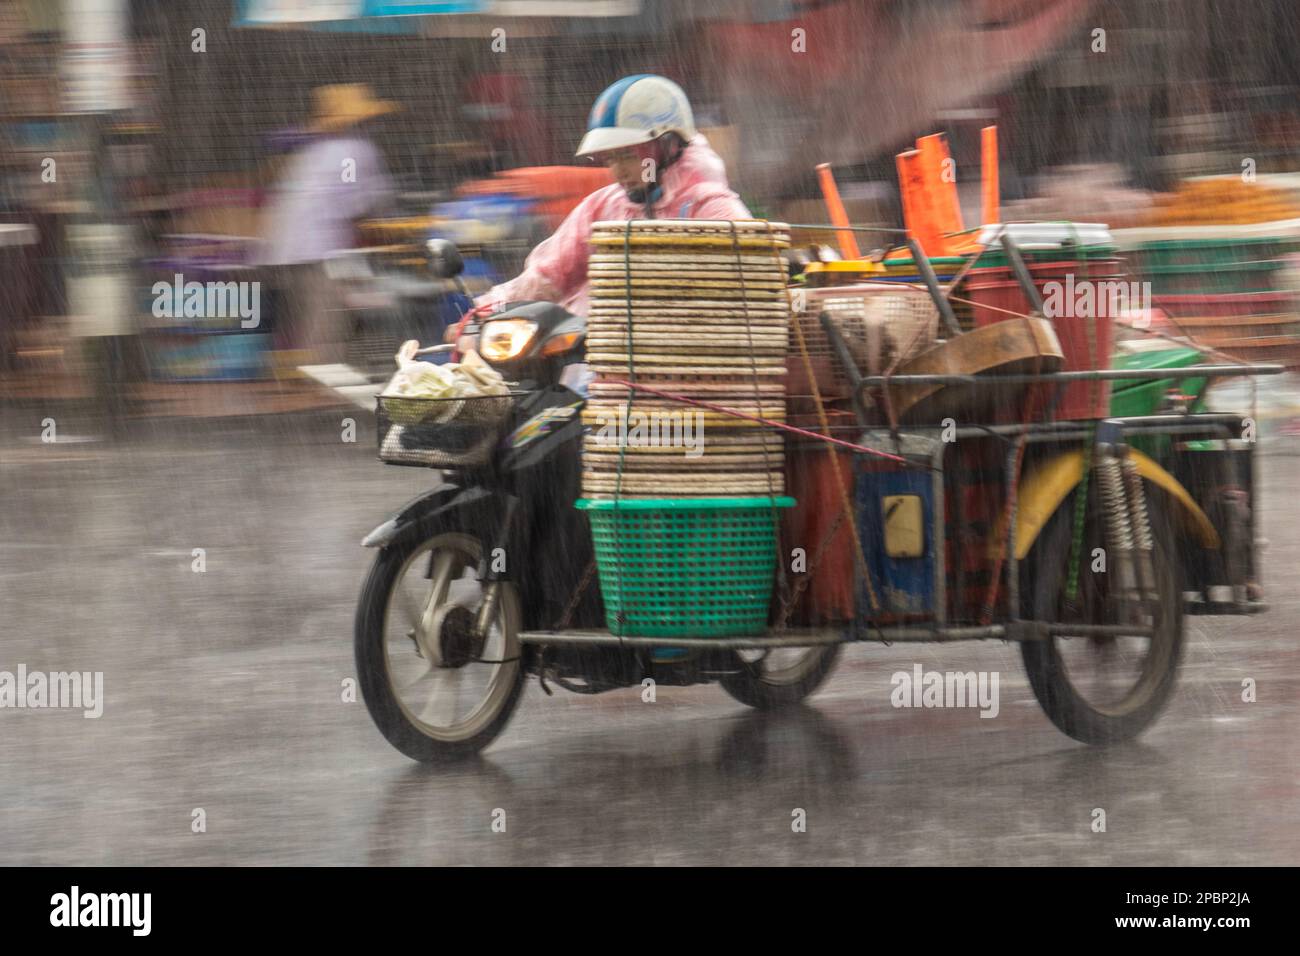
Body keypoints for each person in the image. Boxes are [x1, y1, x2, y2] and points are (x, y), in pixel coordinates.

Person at [476, 75, 750, 317]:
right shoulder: (602, 207)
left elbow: (749, 276)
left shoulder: (711, 208)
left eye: (628, 156)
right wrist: (486, 310)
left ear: (667, 145)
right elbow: (547, 276)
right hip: (597, 362)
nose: (618, 171)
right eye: (611, 158)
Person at [260, 84, 397, 363]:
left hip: (288, 247)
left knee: (306, 321)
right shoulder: (357, 149)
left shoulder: (316, 151)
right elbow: (365, 205)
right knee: (327, 324)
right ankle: (322, 387)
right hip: (320, 248)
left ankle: (307, 378)